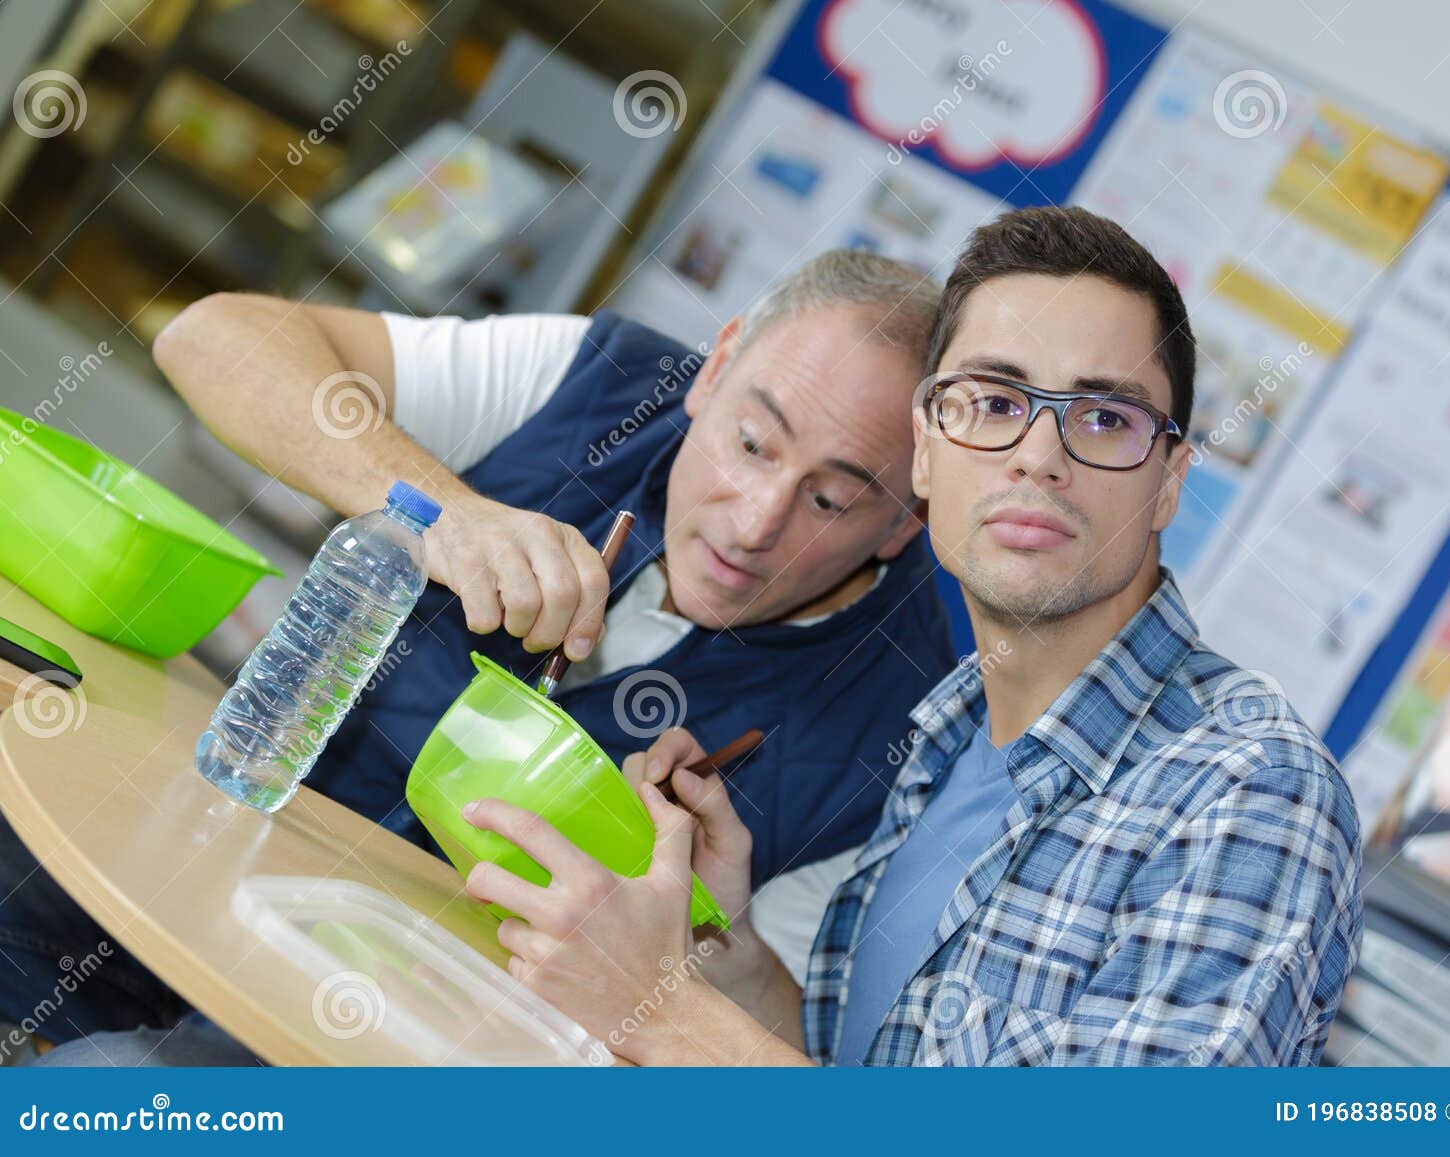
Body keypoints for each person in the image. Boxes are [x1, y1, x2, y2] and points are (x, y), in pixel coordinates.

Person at [455, 206, 1364, 1066]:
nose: (1039, 455)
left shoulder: (1249, 791)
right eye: (996, 403)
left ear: (1168, 483)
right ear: (925, 453)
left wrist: (662, 1009)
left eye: (1104, 418)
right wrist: (715, 950)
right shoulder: (944, 738)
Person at [0, 250, 955, 1048]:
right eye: (751, 442)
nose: (756, 522)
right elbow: (207, 335)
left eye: (831, 500)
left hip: (377, 1041)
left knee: (111, 1095)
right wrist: (444, 510)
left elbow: (781, 1050)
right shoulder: (599, 383)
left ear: (903, 524)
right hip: (192, 846)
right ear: (717, 366)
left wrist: (707, 933)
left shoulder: (904, 734)